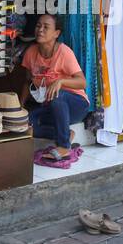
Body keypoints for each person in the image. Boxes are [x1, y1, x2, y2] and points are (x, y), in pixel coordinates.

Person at [20, 13, 90, 163]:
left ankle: (64, 146)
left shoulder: (64, 52)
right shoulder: (31, 53)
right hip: (51, 106)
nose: (40, 30)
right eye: (38, 26)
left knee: (58, 96)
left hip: (75, 105)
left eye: (46, 27)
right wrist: (20, 107)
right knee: (25, 126)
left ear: (56, 33)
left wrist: (61, 82)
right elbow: (27, 82)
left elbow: (82, 82)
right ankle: (66, 134)